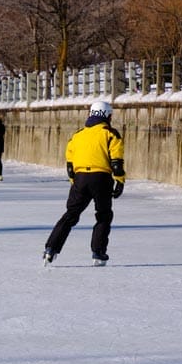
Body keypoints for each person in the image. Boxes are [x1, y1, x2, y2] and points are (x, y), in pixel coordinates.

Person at [43, 101, 126, 267]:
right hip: (101, 177)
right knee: (103, 214)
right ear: (108, 116)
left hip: (80, 178)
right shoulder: (110, 133)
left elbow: (70, 164)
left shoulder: (78, 135)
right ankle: (98, 253)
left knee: (70, 215)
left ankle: (51, 249)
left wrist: (75, 182)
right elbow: (116, 161)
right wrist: (120, 181)